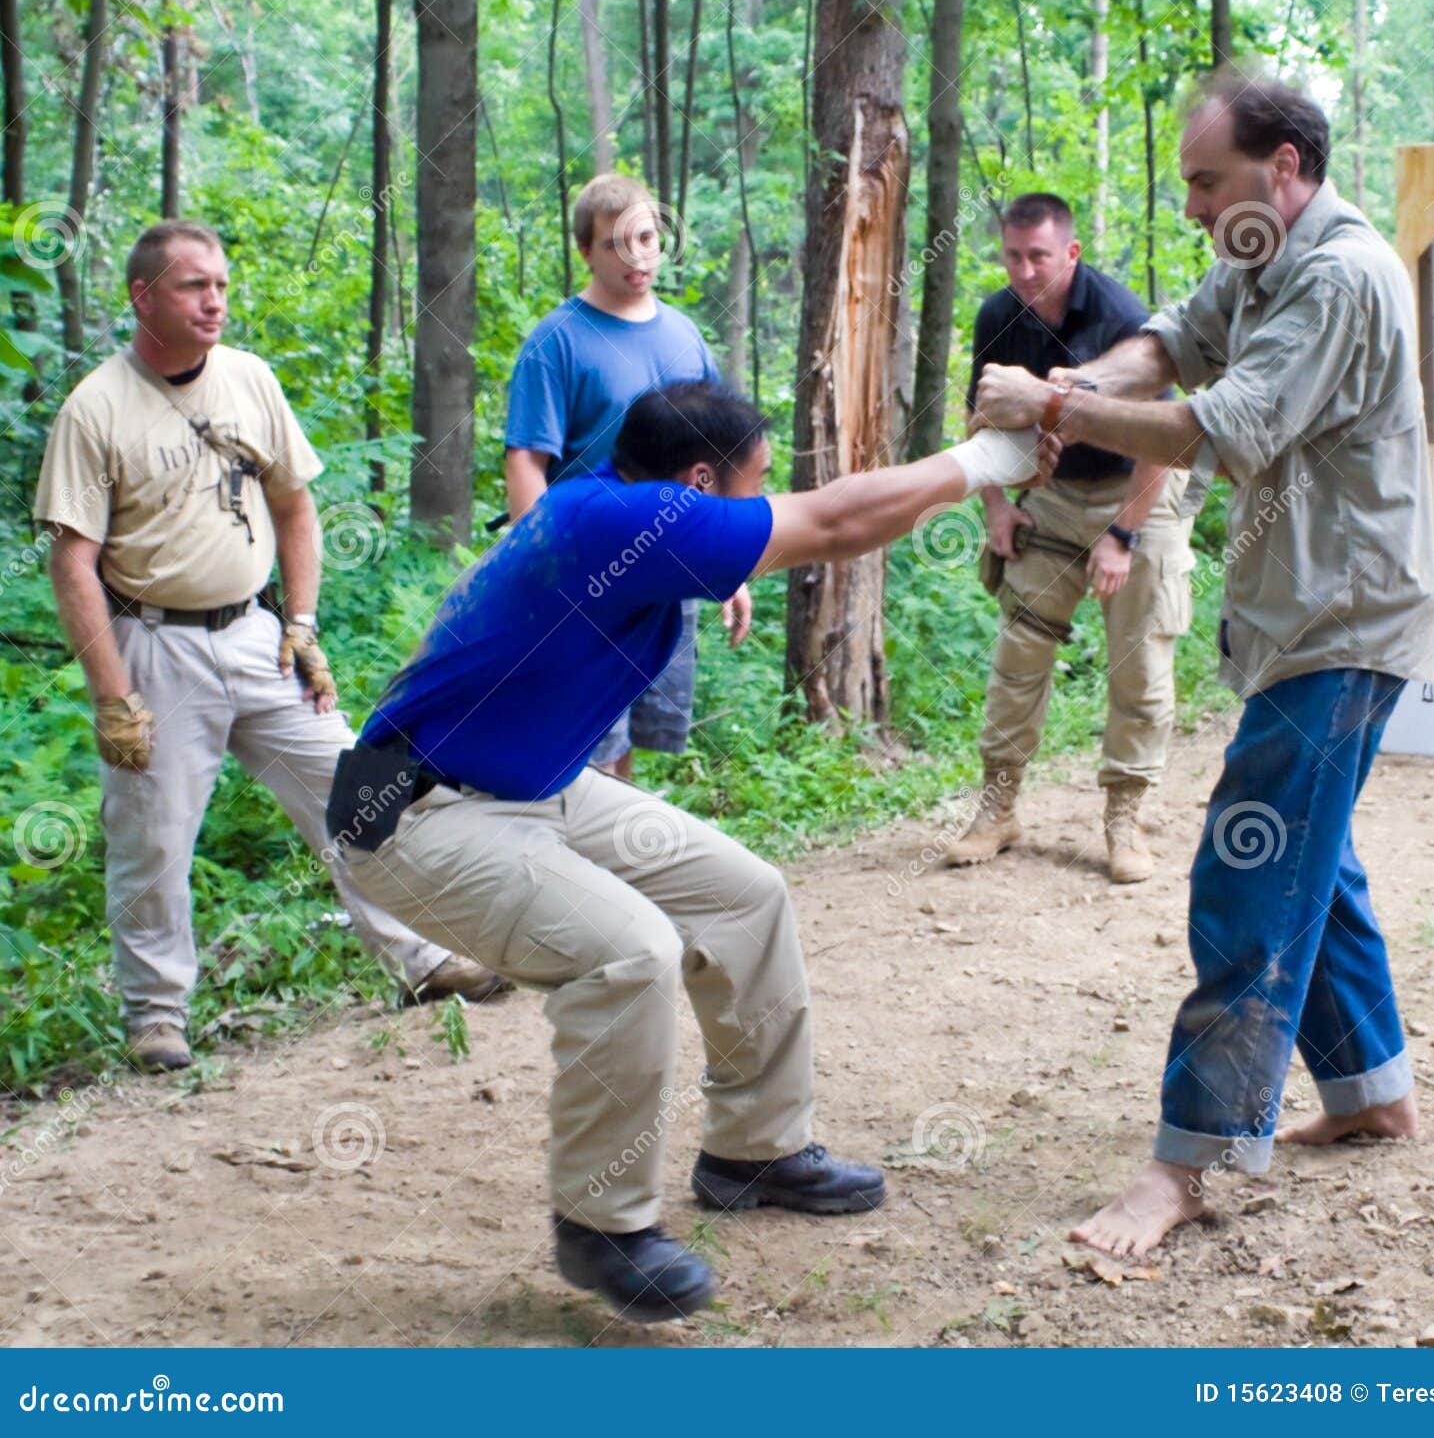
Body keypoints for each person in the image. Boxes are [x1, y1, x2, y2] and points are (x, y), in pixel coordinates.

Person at [331, 381, 1042, 1321]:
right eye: (752, 483)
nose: (762, 499)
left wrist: (726, 554)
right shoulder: (627, 518)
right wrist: (995, 460)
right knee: (630, 952)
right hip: (410, 811)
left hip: (524, 785)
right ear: (697, 481)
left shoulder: (615, 511)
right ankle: (601, 1226)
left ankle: (755, 1150)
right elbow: (834, 522)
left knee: (743, 894)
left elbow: (782, 530)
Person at [975, 72, 1434, 1257]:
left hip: (1345, 622)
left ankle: (1188, 1159)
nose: (1190, 205)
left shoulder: (1337, 276)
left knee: (1248, 869)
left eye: (1205, 178)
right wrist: (1078, 383)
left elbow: (1211, 428)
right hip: (1304, 613)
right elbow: (1173, 342)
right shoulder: (1261, 249)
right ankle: (1371, 1088)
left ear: (1282, 165)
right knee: (1309, 861)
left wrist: (1055, 408)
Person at [35, 220, 506, 1076]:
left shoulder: (250, 379)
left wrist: (302, 624)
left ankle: (424, 958)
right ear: (144, 298)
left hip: (257, 635)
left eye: (220, 283)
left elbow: (295, 506)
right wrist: (111, 692)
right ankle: (156, 1015)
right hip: (153, 643)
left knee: (357, 786)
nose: (214, 300)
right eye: (192, 286)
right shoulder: (96, 407)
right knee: (152, 835)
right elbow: (72, 560)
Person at [947, 192, 1194, 883]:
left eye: (1040, 257)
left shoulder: (1123, 318)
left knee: (1140, 657)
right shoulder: (998, 314)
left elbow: (1168, 443)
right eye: (1013, 256)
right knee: (1019, 647)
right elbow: (980, 419)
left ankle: (1126, 816)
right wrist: (996, 506)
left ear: (1072, 253)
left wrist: (1122, 535)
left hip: (1137, 488)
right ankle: (997, 807)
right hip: (1051, 493)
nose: (1025, 271)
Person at [502, 173, 751, 781]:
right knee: (586, 735)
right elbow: (526, 461)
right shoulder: (555, 341)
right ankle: (576, 862)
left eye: (646, 237)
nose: (636, 255)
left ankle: (621, 859)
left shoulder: (685, 337)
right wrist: (542, 563)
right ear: (585, 251)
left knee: (634, 738)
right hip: (588, 567)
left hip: (670, 563)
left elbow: (715, 460)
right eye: (615, 243)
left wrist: (729, 563)